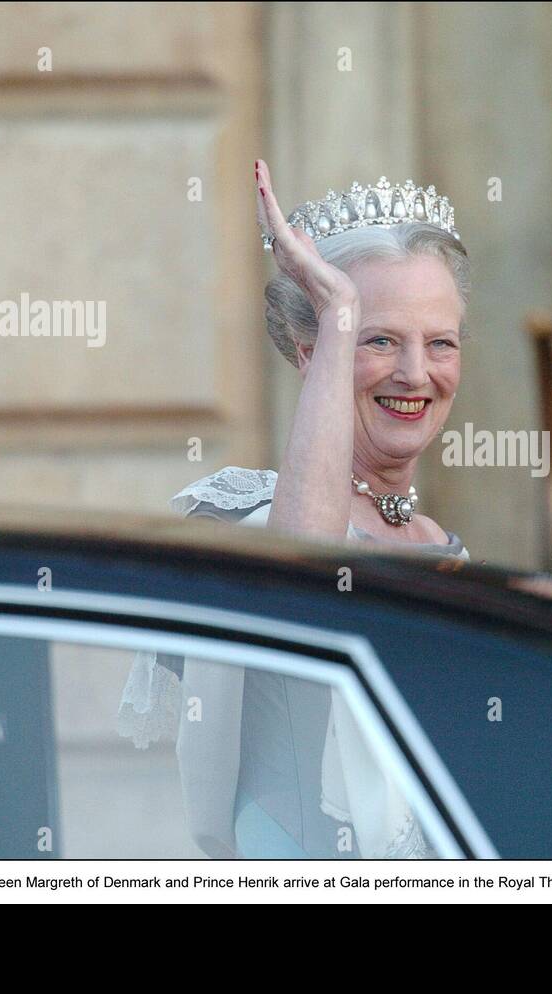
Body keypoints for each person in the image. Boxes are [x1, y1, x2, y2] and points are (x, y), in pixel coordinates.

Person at [117, 162, 472, 858]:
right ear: (313, 354)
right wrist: (340, 312)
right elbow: (302, 586)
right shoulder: (253, 521)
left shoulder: (442, 544)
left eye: (440, 343)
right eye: (378, 339)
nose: (414, 373)